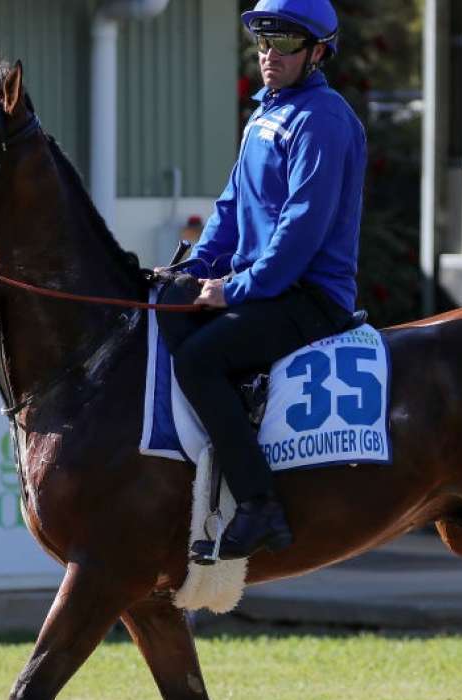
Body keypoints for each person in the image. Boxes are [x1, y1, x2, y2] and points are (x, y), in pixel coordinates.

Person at [158, 0, 366, 561]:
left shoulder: (322, 119)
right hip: (261, 286)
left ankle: (259, 505)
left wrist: (232, 289)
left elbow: (300, 230)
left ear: (318, 52)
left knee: (200, 361)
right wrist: (193, 271)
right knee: (164, 312)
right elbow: (229, 209)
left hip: (308, 296)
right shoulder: (266, 112)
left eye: (287, 44)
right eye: (264, 41)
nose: (270, 54)